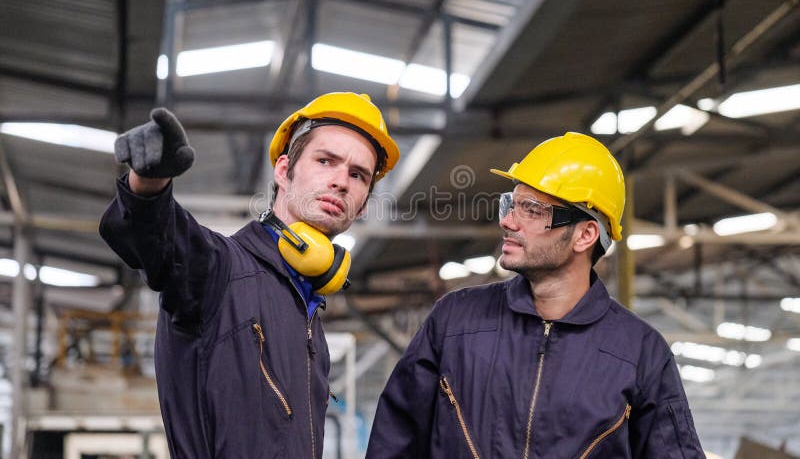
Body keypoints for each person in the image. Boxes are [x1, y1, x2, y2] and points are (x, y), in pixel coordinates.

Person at [366, 132, 704, 458]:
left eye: (531, 210)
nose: (508, 222)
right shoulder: (456, 320)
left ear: (584, 235)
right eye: (511, 205)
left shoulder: (640, 353)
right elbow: (393, 442)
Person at [100, 92, 399, 458]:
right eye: (326, 161)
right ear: (284, 170)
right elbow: (160, 240)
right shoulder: (219, 270)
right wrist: (148, 185)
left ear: (364, 204)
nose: (341, 181)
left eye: (357, 175)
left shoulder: (310, 322)